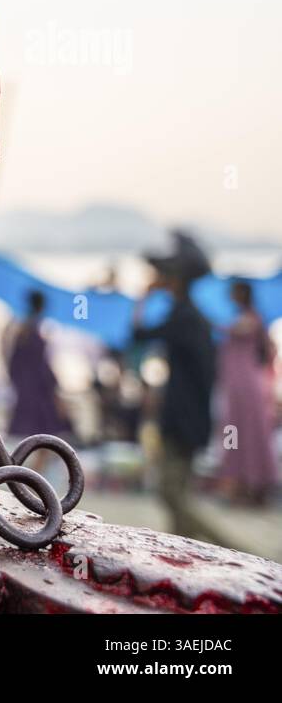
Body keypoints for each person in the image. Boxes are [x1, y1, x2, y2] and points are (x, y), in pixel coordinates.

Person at [131, 231, 227, 546]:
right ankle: (183, 554)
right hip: (188, 417)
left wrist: (143, 297)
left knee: (170, 493)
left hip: (184, 420)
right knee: (177, 497)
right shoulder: (188, 315)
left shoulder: (185, 318)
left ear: (174, 279)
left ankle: (239, 552)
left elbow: (140, 334)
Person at [215, 281, 277, 505]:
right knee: (234, 433)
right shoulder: (249, 319)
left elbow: (241, 331)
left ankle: (250, 482)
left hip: (246, 389)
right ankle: (239, 481)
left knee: (245, 434)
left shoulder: (251, 319)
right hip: (237, 388)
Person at [2, 290, 73, 443]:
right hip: (37, 391)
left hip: (29, 389)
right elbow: (39, 365)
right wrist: (53, 385)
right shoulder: (31, 330)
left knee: (34, 437)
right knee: (43, 435)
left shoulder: (23, 329)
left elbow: (14, 362)